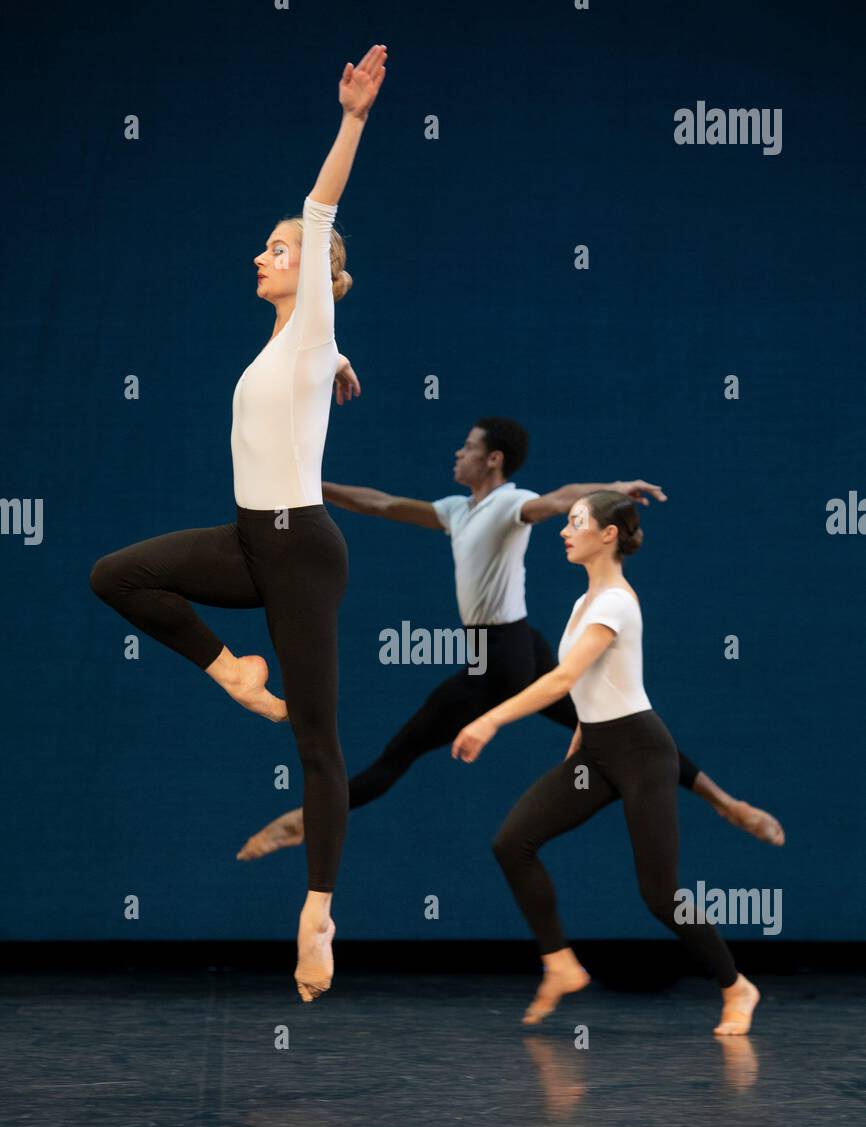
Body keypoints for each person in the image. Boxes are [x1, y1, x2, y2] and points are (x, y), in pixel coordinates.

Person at [90, 43, 389, 1002]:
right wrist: (335, 363)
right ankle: (233, 674)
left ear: (309, 273)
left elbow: (320, 209)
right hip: (251, 538)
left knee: (319, 745)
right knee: (117, 575)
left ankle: (317, 915)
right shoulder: (291, 350)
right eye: (267, 249)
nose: (262, 256)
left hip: (302, 551)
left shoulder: (309, 325)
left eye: (279, 250)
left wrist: (351, 118)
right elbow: (309, 370)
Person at [238, 420, 783, 859]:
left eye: (469, 447)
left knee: (401, 753)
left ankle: (305, 822)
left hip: (503, 659)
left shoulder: (509, 504)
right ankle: (726, 802)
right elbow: (379, 503)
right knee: (622, 731)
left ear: (493, 459)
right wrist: (315, 489)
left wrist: (610, 490)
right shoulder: (457, 511)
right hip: (512, 650)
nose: (458, 453)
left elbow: (556, 500)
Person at [451, 490, 762, 1035]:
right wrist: (578, 737)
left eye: (575, 522)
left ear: (608, 534)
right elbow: (589, 689)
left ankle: (737, 986)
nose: (564, 531)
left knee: (660, 895)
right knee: (512, 843)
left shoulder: (616, 601)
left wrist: (489, 720)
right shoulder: (582, 603)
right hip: (596, 751)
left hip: (642, 753)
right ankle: (561, 964)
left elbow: (562, 679)